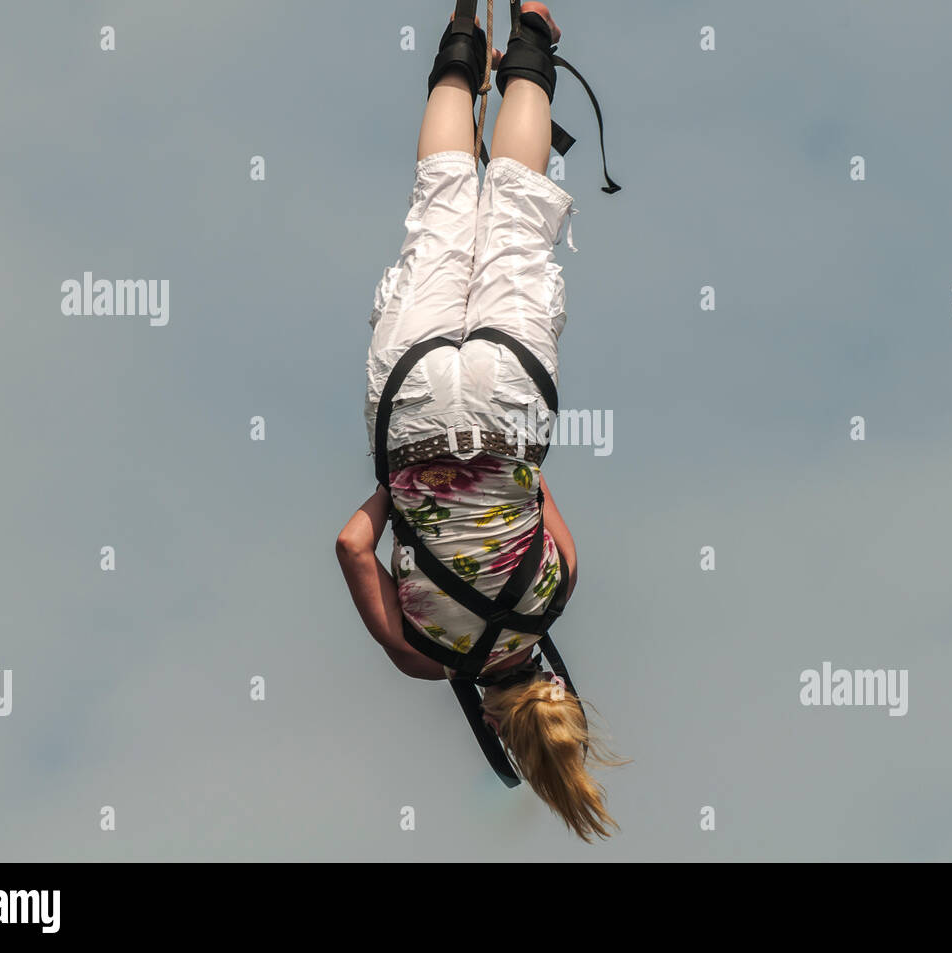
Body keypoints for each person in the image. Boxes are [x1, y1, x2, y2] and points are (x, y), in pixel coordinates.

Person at [336, 2, 623, 842]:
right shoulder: (421, 656)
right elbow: (354, 545)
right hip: (411, 406)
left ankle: (529, 31)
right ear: (495, 720)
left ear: (555, 688)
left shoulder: (558, 587)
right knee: (438, 211)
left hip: (504, 403)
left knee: (518, 215)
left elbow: (532, 493)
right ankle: (462, 36)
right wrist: (401, 482)